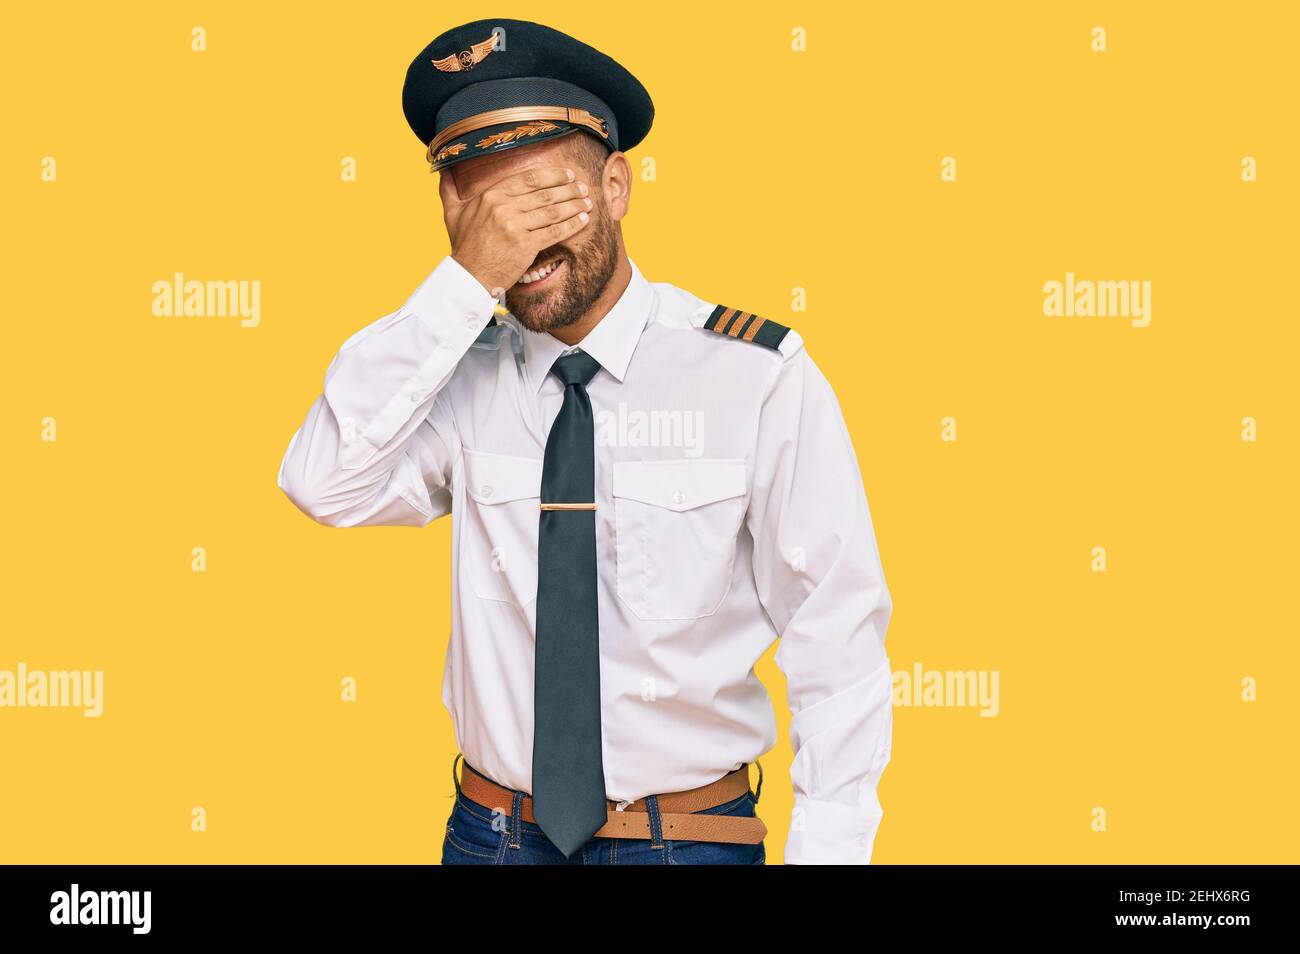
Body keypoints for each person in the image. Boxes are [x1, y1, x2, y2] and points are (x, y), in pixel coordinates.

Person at [277, 18, 893, 865]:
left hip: (684, 843)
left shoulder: (755, 375)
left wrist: (830, 853)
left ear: (615, 185)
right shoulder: (455, 377)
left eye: (539, 198)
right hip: (491, 839)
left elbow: (837, 629)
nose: (518, 239)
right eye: (482, 210)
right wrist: (462, 286)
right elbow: (324, 482)